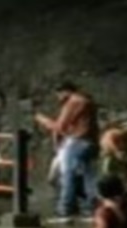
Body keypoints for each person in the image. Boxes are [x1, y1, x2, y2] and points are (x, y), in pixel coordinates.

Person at [36, 82, 99, 219]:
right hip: (90, 141)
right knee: (89, 176)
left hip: (78, 142)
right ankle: (91, 207)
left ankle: (65, 208)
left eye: (59, 94)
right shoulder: (88, 101)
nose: (58, 98)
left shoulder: (74, 101)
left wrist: (43, 120)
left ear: (65, 91)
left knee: (67, 175)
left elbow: (59, 126)